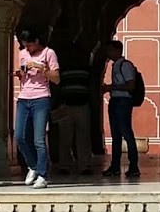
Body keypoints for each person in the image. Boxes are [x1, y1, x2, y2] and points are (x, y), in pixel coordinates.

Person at [13, 28, 59, 189]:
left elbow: (56, 78)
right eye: (24, 45)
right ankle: (33, 166)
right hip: (24, 98)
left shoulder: (48, 53)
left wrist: (41, 68)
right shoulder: (22, 54)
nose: (27, 48)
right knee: (19, 136)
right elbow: (23, 76)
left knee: (39, 140)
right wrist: (20, 73)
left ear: (37, 42)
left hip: (41, 98)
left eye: (29, 45)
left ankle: (42, 175)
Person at [102, 40, 141, 178]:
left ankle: (133, 166)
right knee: (116, 136)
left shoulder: (125, 66)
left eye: (110, 50)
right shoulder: (116, 66)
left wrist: (111, 87)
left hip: (123, 102)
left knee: (126, 134)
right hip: (116, 101)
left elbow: (131, 86)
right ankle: (115, 166)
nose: (108, 53)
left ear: (117, 51)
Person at [51, 47, 93, 175]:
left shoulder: (64, 72)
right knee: (83, 137)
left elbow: (57, 88)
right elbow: (91, 88)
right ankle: (83, 165)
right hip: (81, 105)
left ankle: (66, 165)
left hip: (67, 105)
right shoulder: (85, 71)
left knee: (65, 138)